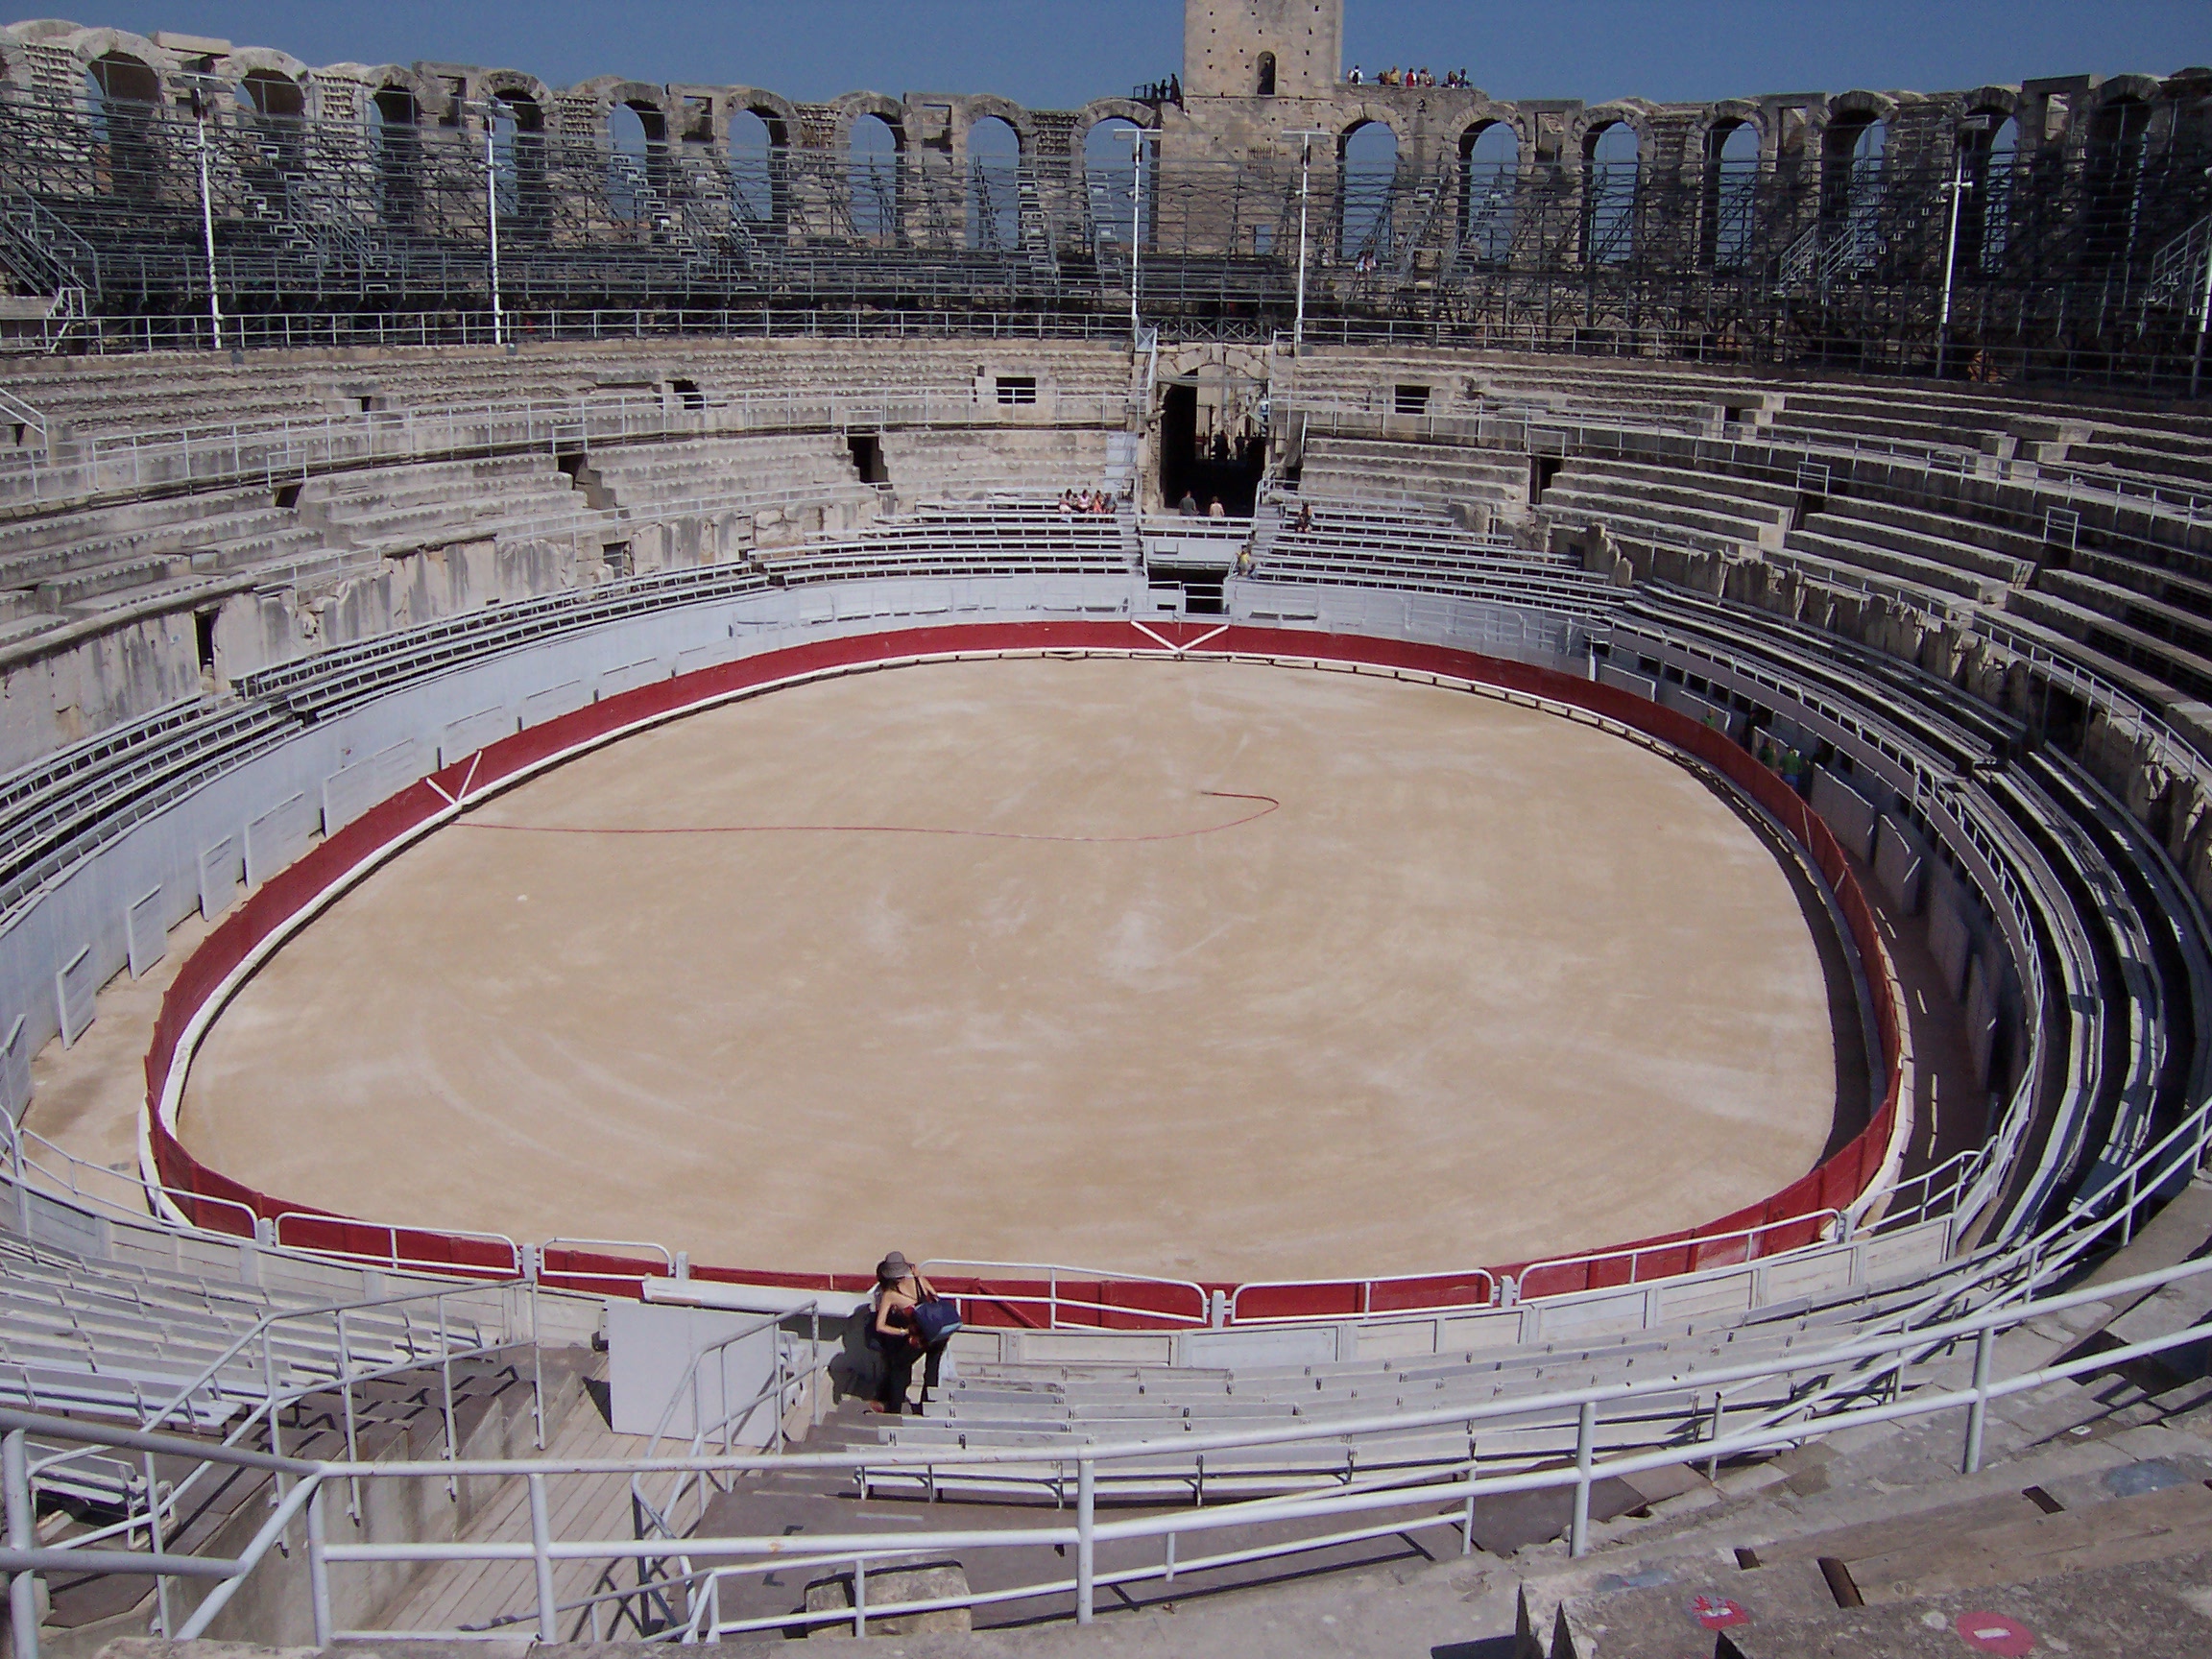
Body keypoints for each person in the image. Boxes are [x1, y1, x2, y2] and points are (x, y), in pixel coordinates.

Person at [868, 1250, 945, 1414]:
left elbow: (880, 1326)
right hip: (939, 1333)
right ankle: (928, 1408)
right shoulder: (920, 1280)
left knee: (899, 1367)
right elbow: (935, 1298)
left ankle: (894, 1408)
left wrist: (903, 1331)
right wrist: (918, 1275)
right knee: (932, 1370)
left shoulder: (890, 1294)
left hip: (921, 1336)